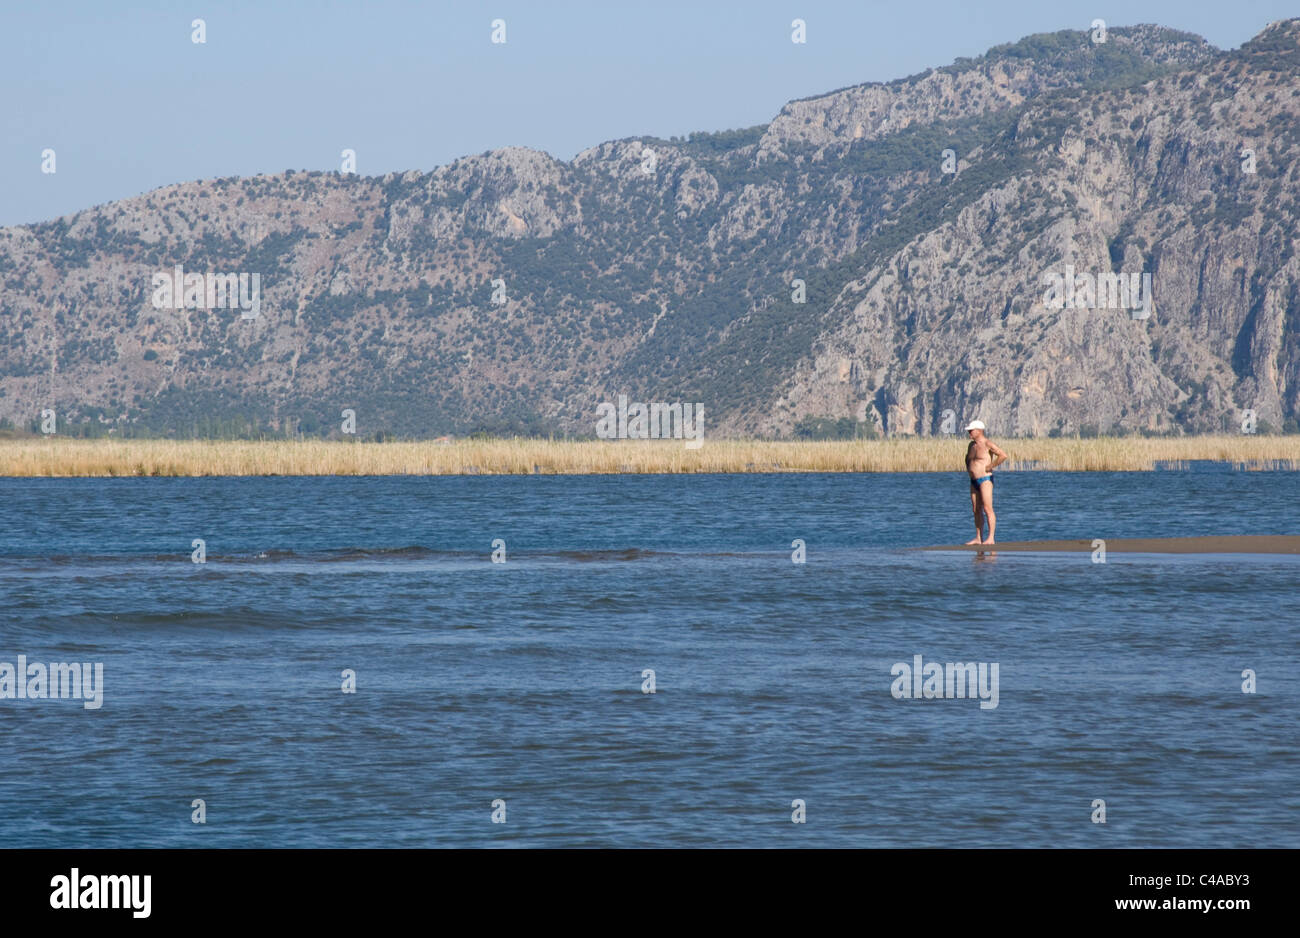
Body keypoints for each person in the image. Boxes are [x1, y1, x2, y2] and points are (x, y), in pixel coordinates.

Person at [964, 420, 1007, 545]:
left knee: (988, 509)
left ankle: (991, 538)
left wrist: (991, 465)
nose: (969, 432)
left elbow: (1003, 455)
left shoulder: (987, 444)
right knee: (976, 509)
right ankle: (978, 537)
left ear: (979, 430)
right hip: (973, 481)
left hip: (985, 480)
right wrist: (969, 469)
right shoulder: (971, 445)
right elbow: (968, 458)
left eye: (971, 430)